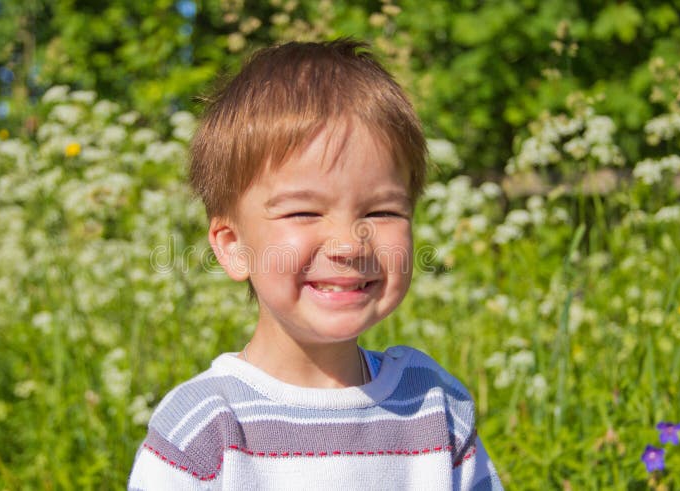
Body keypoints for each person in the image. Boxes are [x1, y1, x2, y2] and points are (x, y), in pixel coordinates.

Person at [128, 39, 503, 490]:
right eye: (303, 212)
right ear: (233, 246)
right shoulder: (203, 431)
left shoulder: (434, 405)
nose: (348, 244)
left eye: (381, 212)